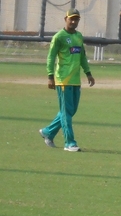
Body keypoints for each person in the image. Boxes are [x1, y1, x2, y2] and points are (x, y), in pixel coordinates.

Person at [39, 8, 95, 152]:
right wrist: (50, 76)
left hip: (75, 80)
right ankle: (69, 143)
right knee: (66, 112)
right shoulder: (59, 37)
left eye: (76, 19)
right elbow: (51, 57)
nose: (74, 21)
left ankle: (48, 132)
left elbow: (82, 56)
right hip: (63, 80)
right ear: (66, 19)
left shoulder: (78, 36)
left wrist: (88, 72)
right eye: (72, 19)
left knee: (70, 111)